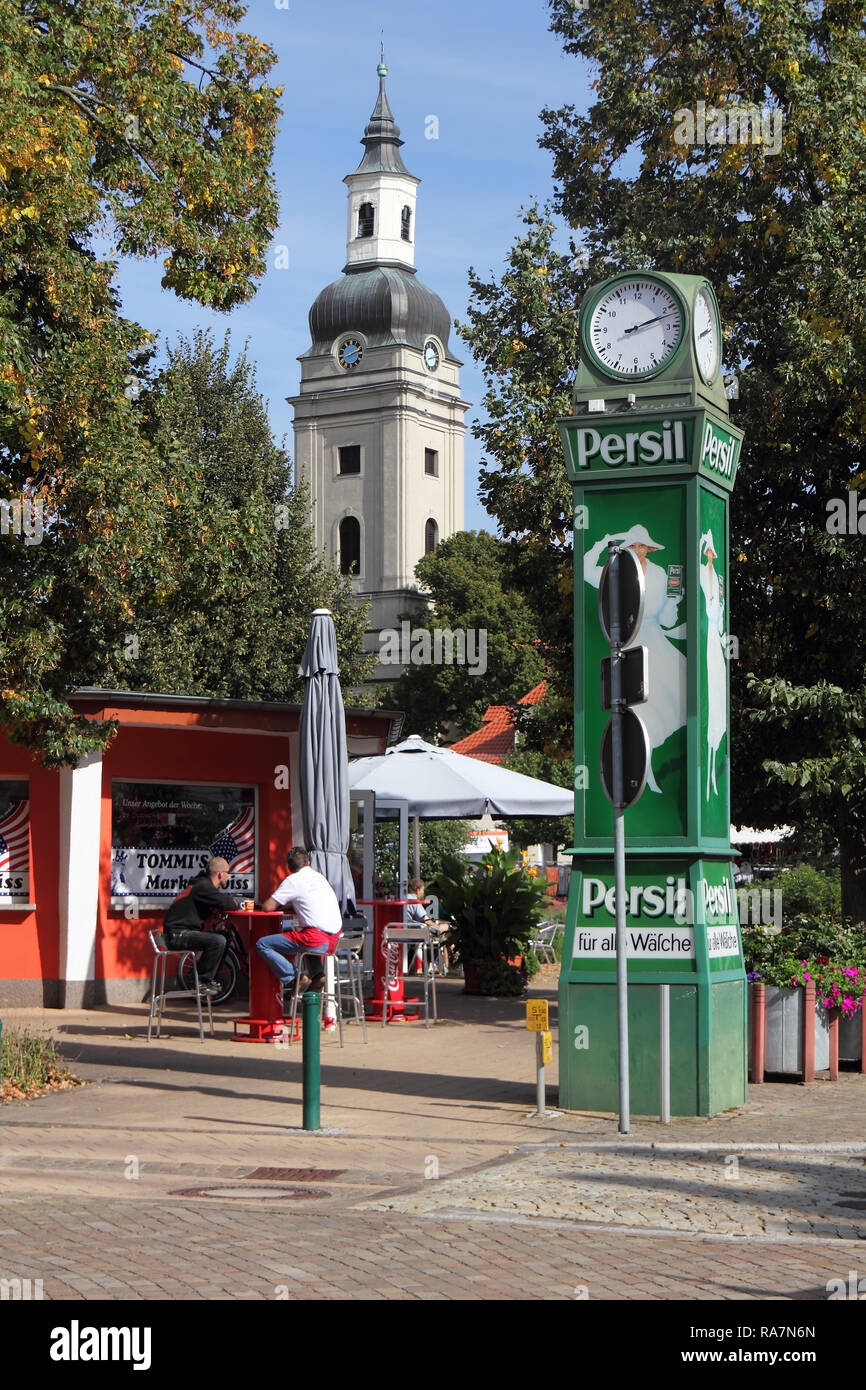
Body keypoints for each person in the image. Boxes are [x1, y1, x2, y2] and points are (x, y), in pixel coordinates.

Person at [257, 847, 343, 998]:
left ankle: (294, 977)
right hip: (335, 939)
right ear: (308, 863)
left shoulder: (293, 880)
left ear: (289, 867)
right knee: (306, 942)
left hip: (316, 938)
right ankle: (318, 975)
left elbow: (268, 907)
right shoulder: (320, 877)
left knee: (263, 944)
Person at [162, 857, 238, 994]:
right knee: (218, 941)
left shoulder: (202, 884)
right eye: (228, 872)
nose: (228, 876)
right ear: (220, 874)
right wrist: (237, 903)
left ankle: (208, 978)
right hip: (177, 935)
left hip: (178, 933)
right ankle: (201, 980)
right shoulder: (204, 886)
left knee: (224, 937)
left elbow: (218, 901)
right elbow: (227, 903)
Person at [405, 877, 450, 973]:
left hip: (403, 932)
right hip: (416, 933)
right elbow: (426, 920)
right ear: (417, 890)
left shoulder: (403, 899)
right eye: (422, 890)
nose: (422, 892)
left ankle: (434, 964)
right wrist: (439, 927)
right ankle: (435, 964)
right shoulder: (415, 902)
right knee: (445, 931)